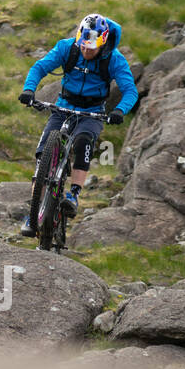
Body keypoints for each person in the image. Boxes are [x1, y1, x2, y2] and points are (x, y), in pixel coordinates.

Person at [16, 13, 138, 237]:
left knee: (83, 141)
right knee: (44, 154)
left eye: (92, 48)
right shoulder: (67, 48)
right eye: (84, 46)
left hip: (92, 112)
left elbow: (130, 90)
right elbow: (39, 67)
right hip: (64, 105)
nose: (86, 51)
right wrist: (29, 89)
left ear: (103, 43)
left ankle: (73, 193)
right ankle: (33, 213)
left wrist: (119, 111)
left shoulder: (114, 59)